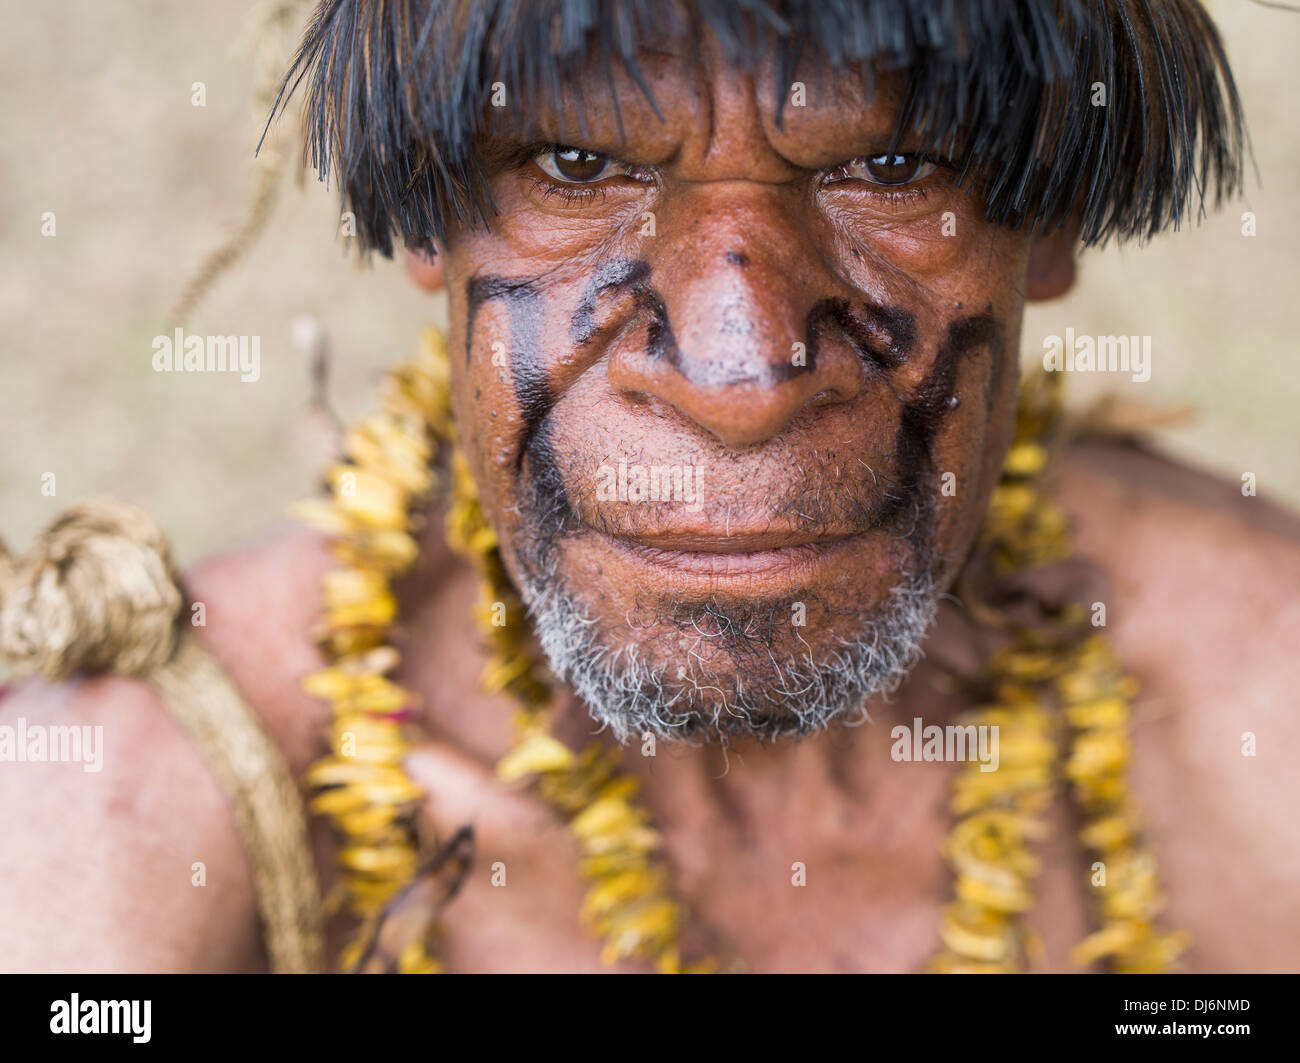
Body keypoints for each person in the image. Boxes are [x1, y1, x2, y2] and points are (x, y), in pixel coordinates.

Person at [2, 0, 1298, 974]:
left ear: (1048, 215)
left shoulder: (1254, 701)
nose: (739, 371)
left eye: (890, 166)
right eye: (577, 167)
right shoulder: (127, 808)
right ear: (432, 216)